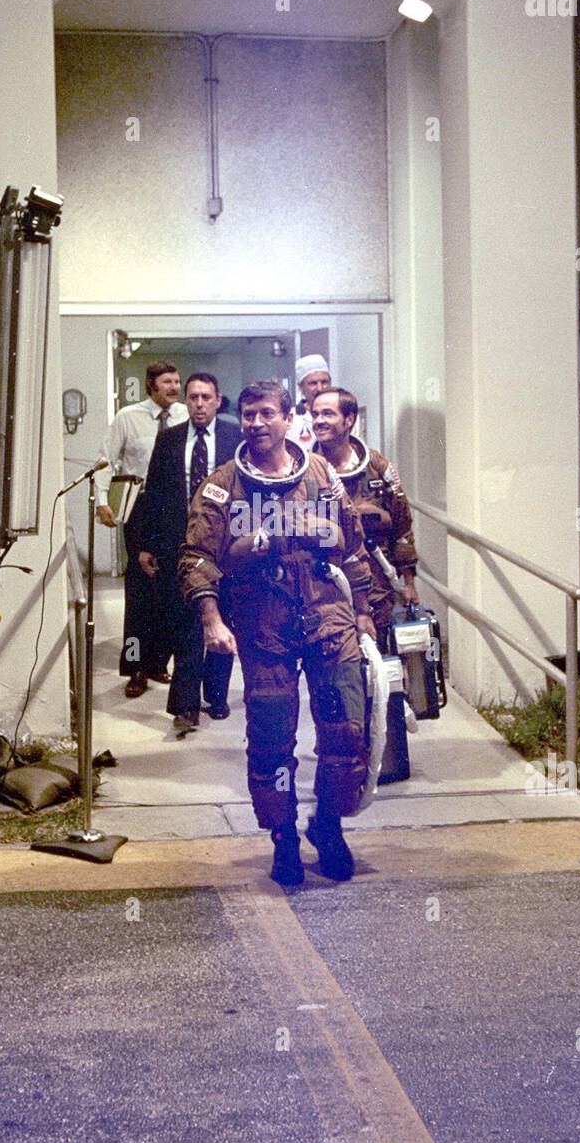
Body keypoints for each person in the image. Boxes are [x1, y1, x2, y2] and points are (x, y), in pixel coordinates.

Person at [178, 379, 375, 887]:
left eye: (267, 413)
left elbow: (352, 544)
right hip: (263, 623)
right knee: (270, 739)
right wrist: (212, 618)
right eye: (248, 415)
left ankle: (327, 825)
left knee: (346, 730)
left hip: (328, 617)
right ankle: (284, 836)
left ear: (290, 419)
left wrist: (368, 611)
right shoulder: (223, 486)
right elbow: (197, 557)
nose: (257, 423)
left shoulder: (320, 471)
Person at [139, 372, 239, 736]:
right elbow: (154, 494)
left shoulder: (234, 437)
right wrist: (148, 544)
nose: (199, 404)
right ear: (186, 400)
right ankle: (184, 706)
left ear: (216, 400)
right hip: (180, 546)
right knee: (185, 625)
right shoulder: (168, 440)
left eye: (206, 397)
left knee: (220, 618)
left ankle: (216, 695)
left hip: (226, 547)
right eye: (193, 397)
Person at [95, 360, 187, 698]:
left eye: (177, 381)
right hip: (140, 508)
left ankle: (158, 663)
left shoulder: (185, 417)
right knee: (139, 594)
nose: (174, 388)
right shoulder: (128, 418)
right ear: (152, 385)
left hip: (174, 510)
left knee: (169, 590)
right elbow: (105, 460)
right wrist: (102, 501)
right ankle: (134, 665)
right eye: (167, 382)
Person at [310, 386, 418, 649]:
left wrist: (409, 583)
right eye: (315, 414)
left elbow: (402, 525)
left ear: (349, 420)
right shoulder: (303, 469)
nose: (319, 421)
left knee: (379, 663)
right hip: (324, 587)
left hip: (375, 584)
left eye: (328, 414)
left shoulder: (377, 468)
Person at [292, 354, 331, 451]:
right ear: (301, 387)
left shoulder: (342, 414)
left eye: (324, 382)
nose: (320, 388)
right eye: (313, 383)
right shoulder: (291, 418)